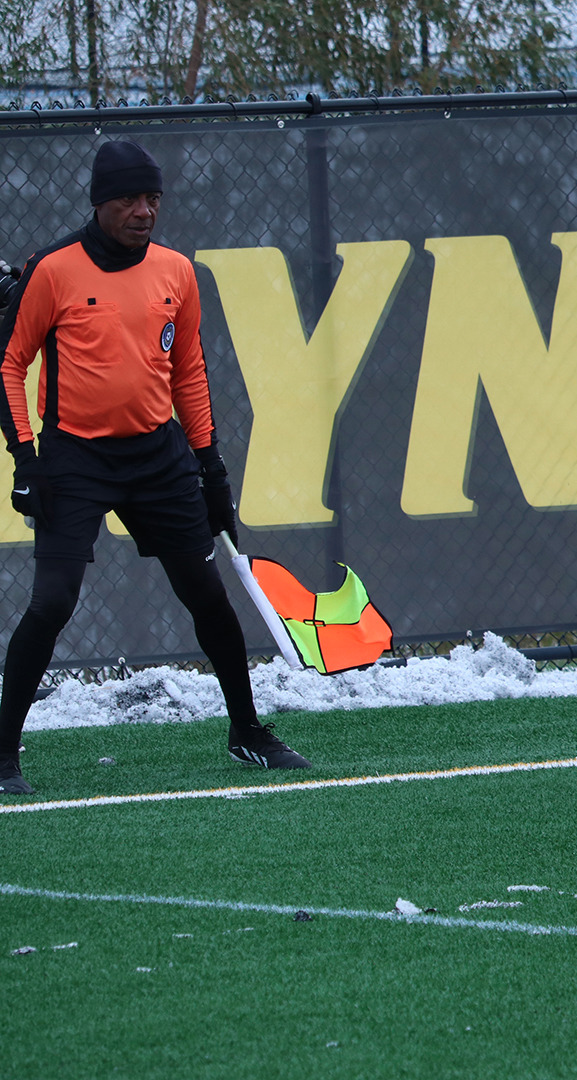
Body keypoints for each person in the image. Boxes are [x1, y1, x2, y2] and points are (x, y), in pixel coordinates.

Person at [0, 140, 310, 796]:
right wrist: (26, 462)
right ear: (101, 204)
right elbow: (10, 364)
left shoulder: (176, 272)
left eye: (153, 199)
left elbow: (189, 372)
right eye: (129, 201)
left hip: (157, 455)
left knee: (207, 597)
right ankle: (4, 755)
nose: (144, 211)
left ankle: (247, 733)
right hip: (75, 458)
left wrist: (212, 470)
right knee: (52, 602)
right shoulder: (55, 271)